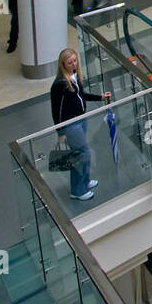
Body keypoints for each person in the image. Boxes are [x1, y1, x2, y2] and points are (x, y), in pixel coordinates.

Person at [50, 47, 110, 201]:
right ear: (63, 64)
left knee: (81, 153)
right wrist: (61, 132)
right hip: (71, 125)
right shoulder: (59, 84)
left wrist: (100, 98)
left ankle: (84, 181)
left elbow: (81, 96)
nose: (73, 64)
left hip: (81, 120)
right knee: (83, 154)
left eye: (75, 61)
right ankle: (77, 190)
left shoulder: (74, 76)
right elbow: (56, 110)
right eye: (70, 62)